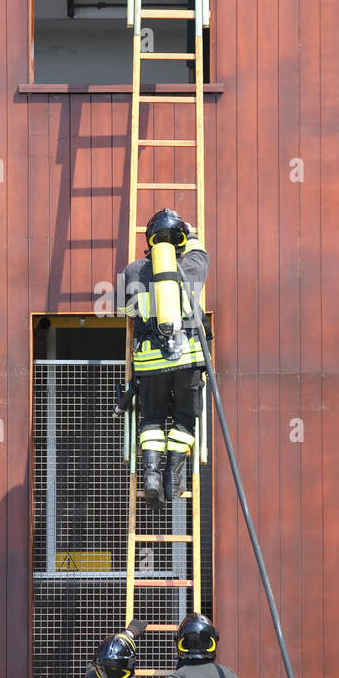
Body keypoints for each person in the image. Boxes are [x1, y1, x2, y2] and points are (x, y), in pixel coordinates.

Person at [118, 208, 209, 510]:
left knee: (153, 419)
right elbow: (201, 254)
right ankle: (174, 477)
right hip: (188, 359)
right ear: (180, 239)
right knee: (184, 417)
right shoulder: (192, 267)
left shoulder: (132, 271)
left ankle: (152, 478)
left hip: (150, 363)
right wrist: (192, 234)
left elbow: (128, 312)